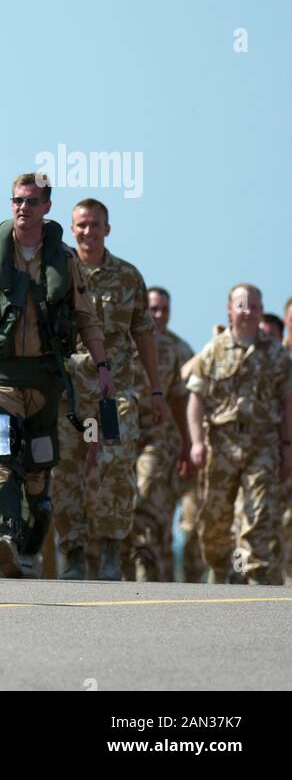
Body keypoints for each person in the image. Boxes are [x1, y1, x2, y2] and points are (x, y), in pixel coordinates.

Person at [0, 173, 110, 578]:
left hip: (44, 380)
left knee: (38, 472)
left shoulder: (65, 259)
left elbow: (87, 320)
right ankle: (1, 536)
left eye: (32, 202)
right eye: (17, 200)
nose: (23, 207)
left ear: (47, 207)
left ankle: (29, 549)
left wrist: (104, 369)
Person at [48, 199, 164, 580]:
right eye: (81, 225)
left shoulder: (128, 276)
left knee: (114, 472)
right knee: (66, 472)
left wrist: (156, 389)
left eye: (95, 224)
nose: (88, 231)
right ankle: (75, 553)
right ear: (72, 228)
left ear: (107, 230)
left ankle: (112, 552)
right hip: (68, 395)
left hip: (117, 394)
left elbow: (143, 334)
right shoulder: (57, 273)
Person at [186, 284, 292, 585]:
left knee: (259, 515)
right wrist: (196, 442)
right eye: (241, 305)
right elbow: (196, 399)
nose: (247, 312)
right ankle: (222, 570)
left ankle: (256, 576)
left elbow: (287, 402)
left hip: (263, 445)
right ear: (229, 310)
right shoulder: (213, 351)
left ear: (260, 311)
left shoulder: (276, 354)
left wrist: (287, 445)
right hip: (222, 445)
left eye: (253, 306)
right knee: (215, 521)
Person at [130, 287, 194, 581]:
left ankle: (153, 576)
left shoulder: (179, 350)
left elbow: (186, 402)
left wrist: (188, 445)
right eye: (153, 309)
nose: (158, 315)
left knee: (153, 507)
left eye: (164, 310)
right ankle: (127, 575)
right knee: (124, 509)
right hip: (124, 438)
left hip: (162, 444)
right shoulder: (125, 343)